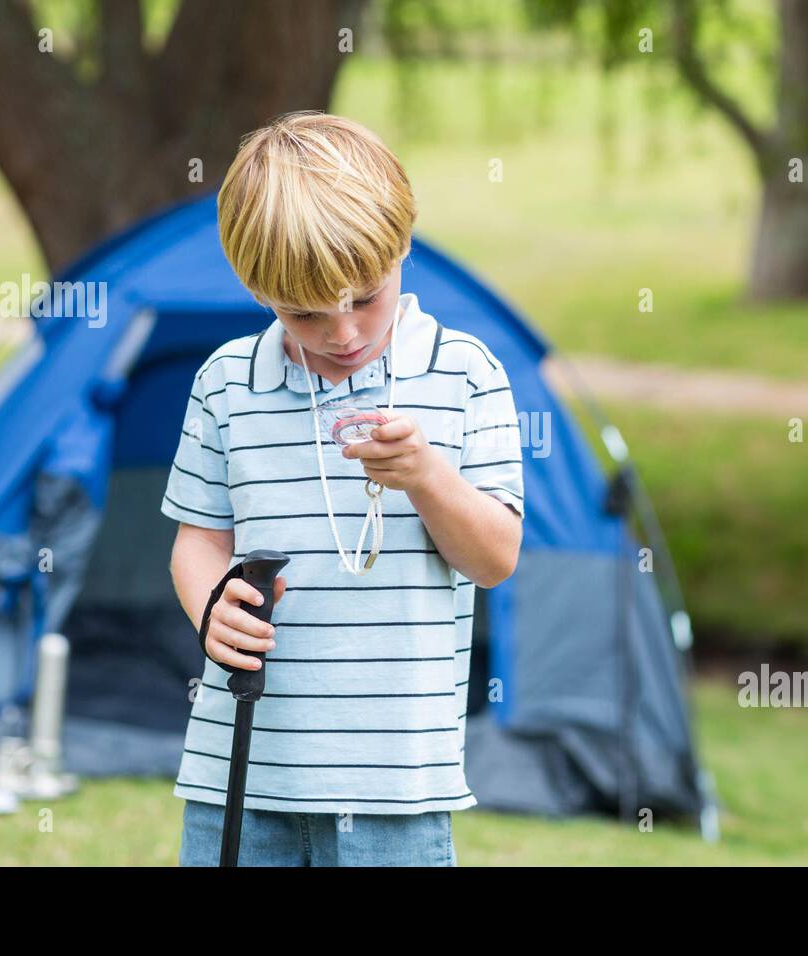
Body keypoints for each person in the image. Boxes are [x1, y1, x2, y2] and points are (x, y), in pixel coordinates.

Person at [162, 111, 525, 866]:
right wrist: (211, 612)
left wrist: (427, 477)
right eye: (304, 313)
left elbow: (494, 558)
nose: (342, 332)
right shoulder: (227, 384)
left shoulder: (466, 375)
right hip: (240, 770)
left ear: (403, 247)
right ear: (255, 288)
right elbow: (198, 542)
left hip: (395, 789)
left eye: (364, 297)